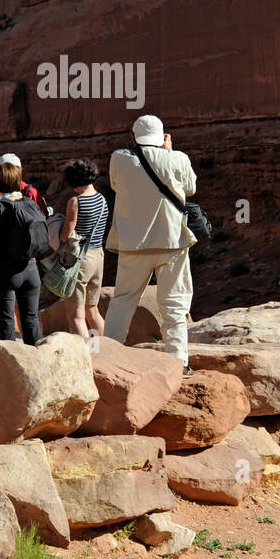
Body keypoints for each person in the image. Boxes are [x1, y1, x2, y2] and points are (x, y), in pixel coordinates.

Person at [104, 115, 197, 371]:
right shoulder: (178, 159)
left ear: (132, 137)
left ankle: (107, 359)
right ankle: (178, 363)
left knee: (122, 301)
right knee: (174, 305)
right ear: (163, 137)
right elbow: (190, 188)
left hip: (133, 244)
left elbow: (114, 184)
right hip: (172, 243)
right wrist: (170, 153)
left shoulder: (119, 158)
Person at [0, 159, 43, 345]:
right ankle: (39, 363)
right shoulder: (30, 202)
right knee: (31, 321)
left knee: (6, 324)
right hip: (31, 269)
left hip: (6, 271)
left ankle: (9, 369)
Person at [57, 159, 109, 340]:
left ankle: (87, 356)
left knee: (76, 315)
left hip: (81, 260)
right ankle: (102, 352)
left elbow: (66, 234)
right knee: (92, 311)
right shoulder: (102, 199)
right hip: (98, 256)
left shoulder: (75, 201)